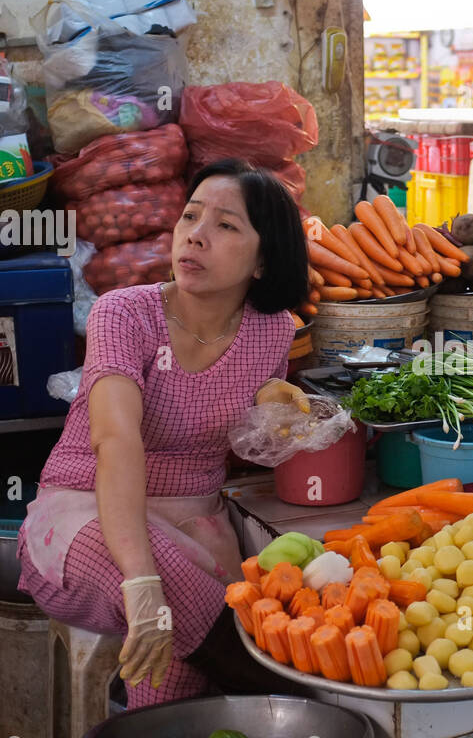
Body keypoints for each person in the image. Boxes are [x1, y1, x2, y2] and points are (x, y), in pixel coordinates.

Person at [16, 159, 311, 708]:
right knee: (176, 590)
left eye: (225, 225)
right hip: (87, 512)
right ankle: (308, 702)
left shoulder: (271, 330)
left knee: (177, 669)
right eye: (191, 216)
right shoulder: (125, 314)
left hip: (195, 523)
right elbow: (116, 438)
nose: (195, 235)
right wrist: (140, 579)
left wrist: (288, 424)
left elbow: (247, 441)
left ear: (264, 258)